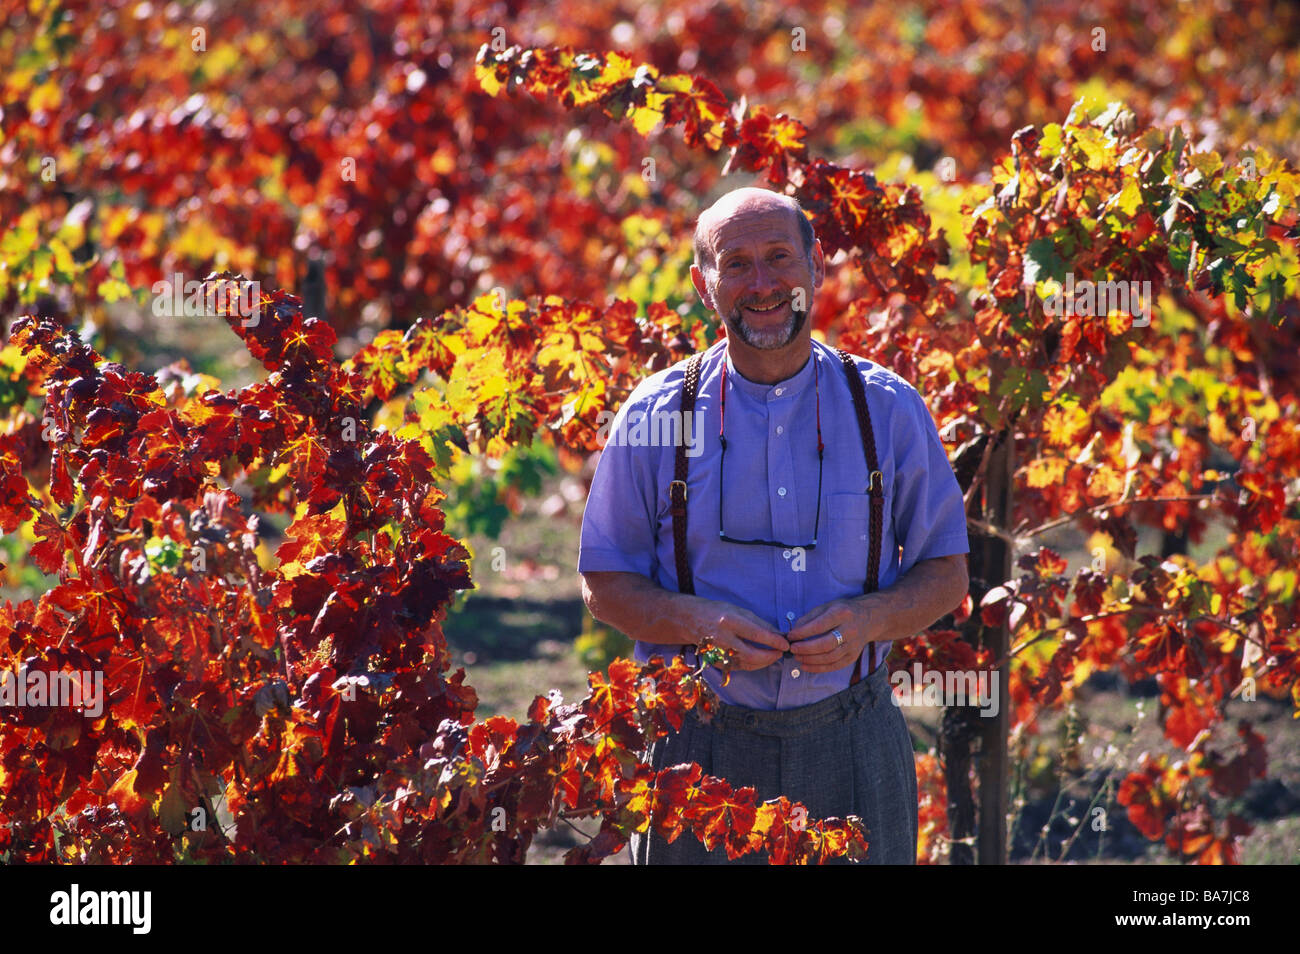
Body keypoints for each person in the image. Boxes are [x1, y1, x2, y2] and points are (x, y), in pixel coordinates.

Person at [577, 186, 970, 864]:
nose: (762, 283)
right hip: (698, 752)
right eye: (737, 264)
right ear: (705, 286)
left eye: (780, 257)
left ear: (816, 269)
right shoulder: (656, 415)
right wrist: (692, 621)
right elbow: (605, 582)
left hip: (852, 741)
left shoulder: (888, 411)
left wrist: (870, 620)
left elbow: (946, 573)